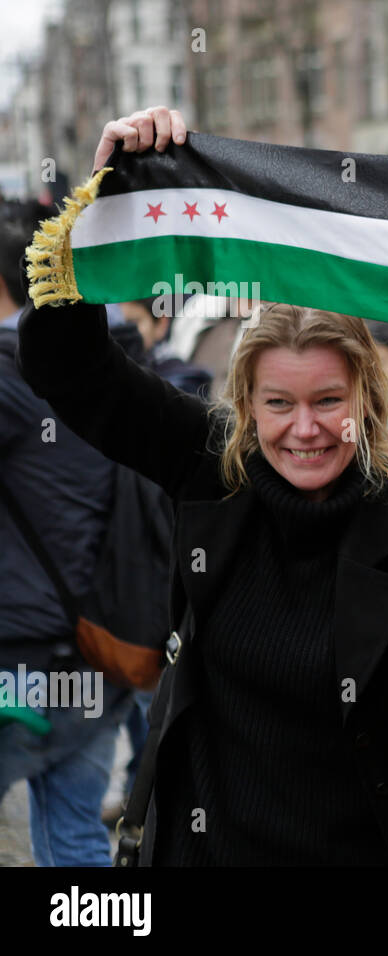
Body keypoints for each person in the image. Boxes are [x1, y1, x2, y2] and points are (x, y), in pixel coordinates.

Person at [17, 106, 388, 865]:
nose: (305, 429)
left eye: (328, 402)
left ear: (367, 399)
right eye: (278, 404)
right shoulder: (207, 462)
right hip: (213, 848)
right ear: (247, 407)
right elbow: (70, 368)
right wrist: (107, 200)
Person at [1, 210, 135, 866]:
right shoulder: (107, 365)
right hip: (96, 650)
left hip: (20, 662)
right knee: (75, 836)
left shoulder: (8, 371)